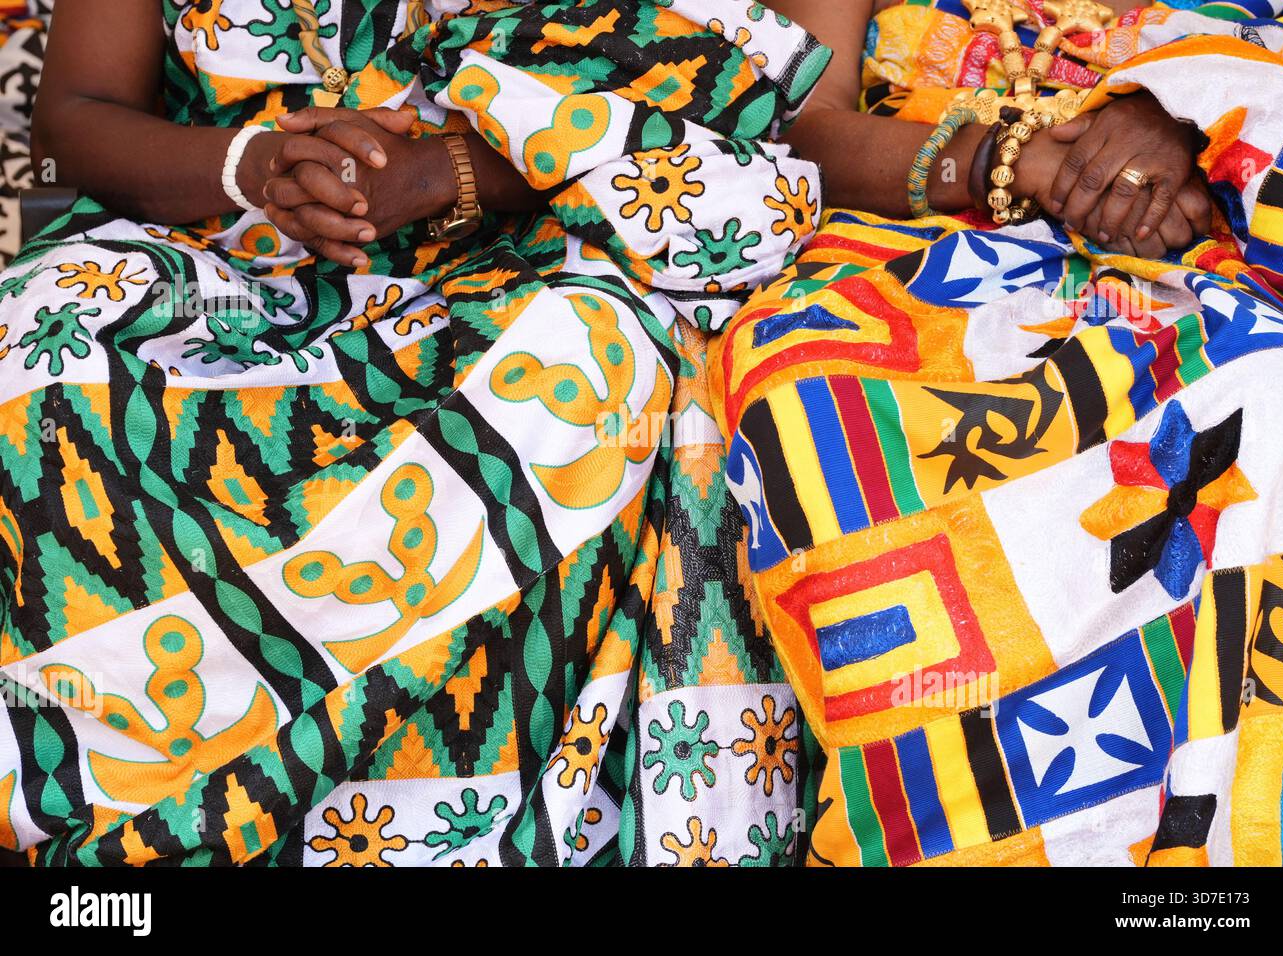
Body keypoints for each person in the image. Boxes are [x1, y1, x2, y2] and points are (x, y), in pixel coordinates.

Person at [0, 0, 832, 866]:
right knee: (44, 341)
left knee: (588, 365)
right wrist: (258, 165)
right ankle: (106, 791)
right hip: (219, 250)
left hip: (507, 244)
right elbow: (74, 117)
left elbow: (703, 112)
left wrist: (444, 173)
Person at [710, 0, 1283, 866]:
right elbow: (787, 130)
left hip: (1183, 251)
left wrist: (1180, 103)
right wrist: (1015, 161)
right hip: (910, 253)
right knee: (817, 416)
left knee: (1267, 386)